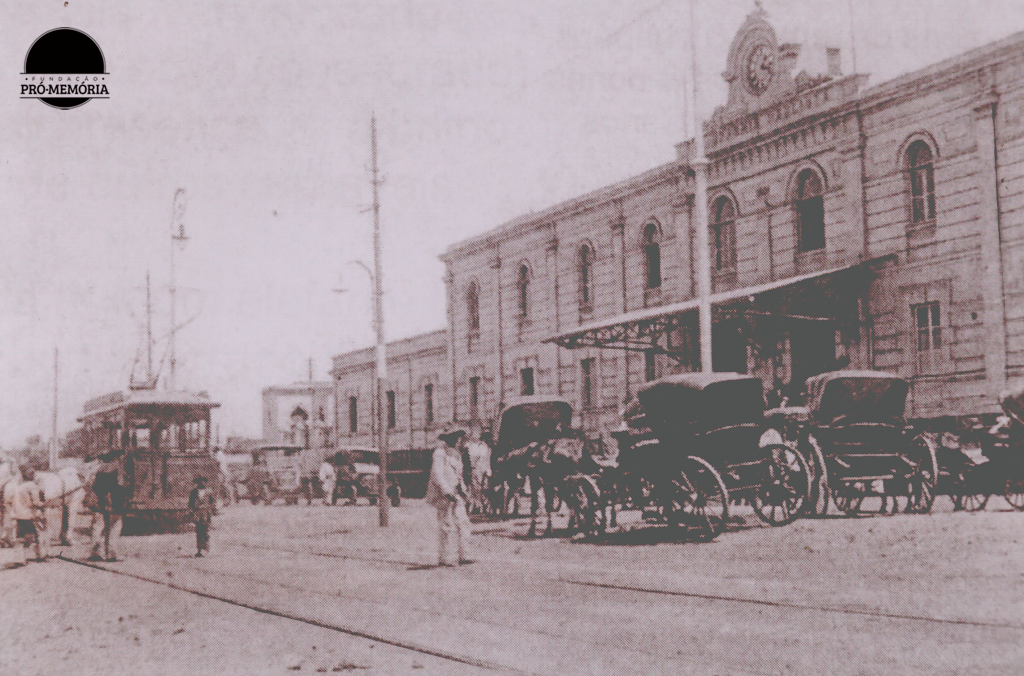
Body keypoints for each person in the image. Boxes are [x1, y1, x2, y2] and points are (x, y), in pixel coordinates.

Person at [424, 427, 471, 566]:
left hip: (456, 493)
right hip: (444, 495)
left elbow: (458, 475)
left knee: (463, 523)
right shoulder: (440, 453)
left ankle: (465, 555)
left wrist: (463, 490)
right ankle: (445, 557)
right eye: (459, 437)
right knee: (446, 525)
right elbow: (437, 474)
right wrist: (447, 491)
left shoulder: (456, 454)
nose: (460, 440)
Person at [86, 449, 125, 562]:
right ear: (116, 457)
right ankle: (111, 554)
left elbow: (94, 485)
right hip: (113, 503)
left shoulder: (100, 468)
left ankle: (95, 553)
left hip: (99, 502)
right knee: (114, 527)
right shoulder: (117, 468)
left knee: (97, 527)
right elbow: (120, 484)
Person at [9, 466, 45, 565]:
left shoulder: (18, 486)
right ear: (31, 475)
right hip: (29, 515)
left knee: (20, 537)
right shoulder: (32, 486)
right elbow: (36, 502)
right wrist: (44, 504)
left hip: (19, 515)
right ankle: (40, 556)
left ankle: (20, 559)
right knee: (37, 535)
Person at [465, 432, 493, 515]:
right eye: (489, 439)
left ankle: (484, 507)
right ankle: (478, 507)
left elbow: (487, 461)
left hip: (483, 471)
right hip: (478, 470)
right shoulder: (476, 447)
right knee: (477, 489)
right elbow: (475, 459)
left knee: (483, 489)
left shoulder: (488, 448)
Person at [189, 477, 215, 557]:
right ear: (197, 483)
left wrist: (210, 509)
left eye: (203, 482)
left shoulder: (209, 492)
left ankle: (206, 548)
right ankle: (199, 550)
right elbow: (190, 503)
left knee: (206, 531)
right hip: (197, 514)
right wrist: (192, 512)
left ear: (205, 483)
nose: (202, 483)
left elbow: (213, 502)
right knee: (199, 532)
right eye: (200, 482)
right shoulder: (194, 492)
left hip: (206, 514)